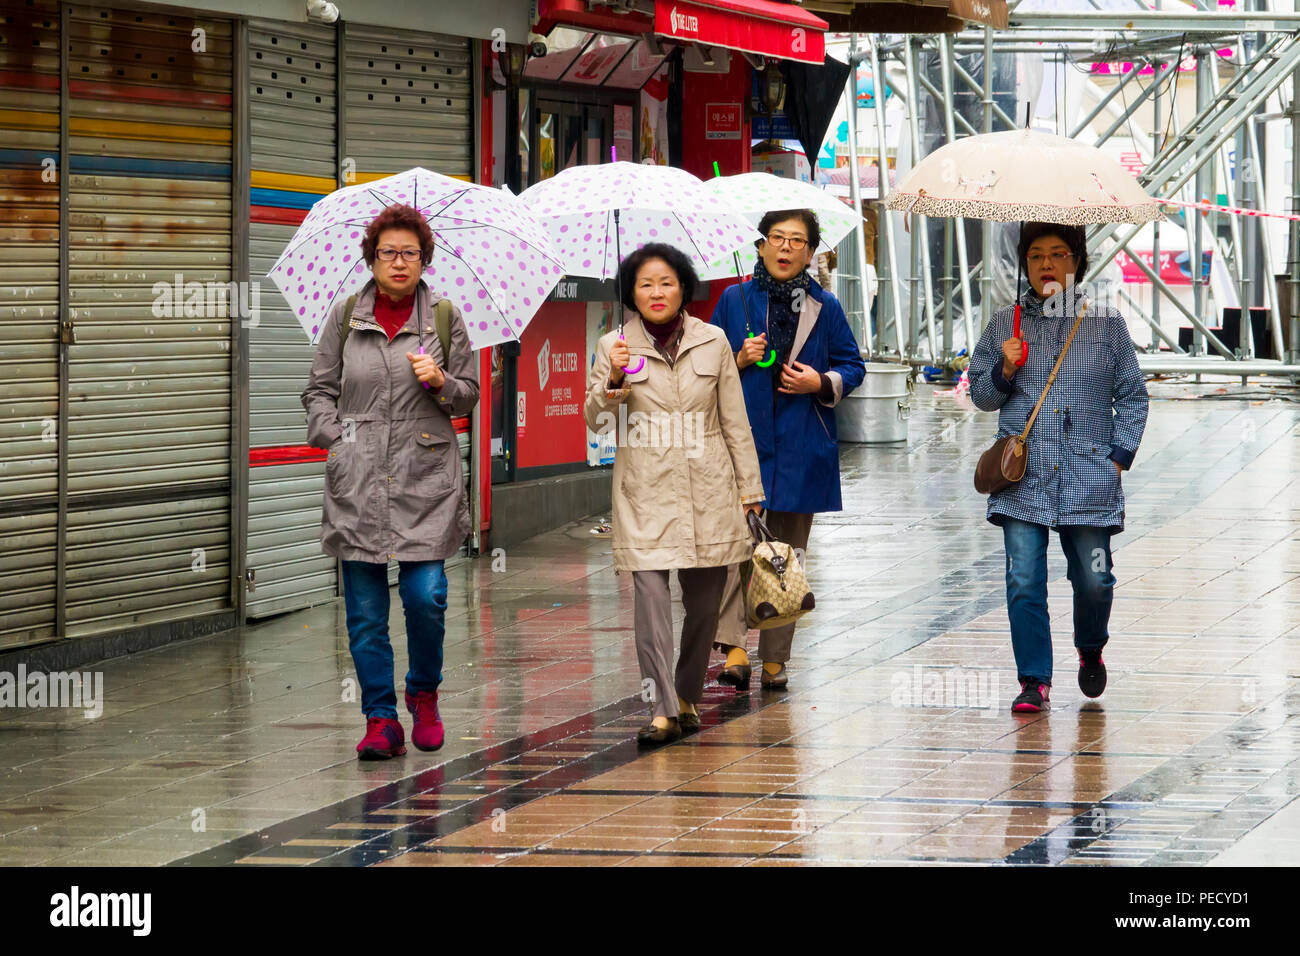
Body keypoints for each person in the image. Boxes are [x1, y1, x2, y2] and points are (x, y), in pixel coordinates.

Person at [301, 204, 479, 758]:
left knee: (427, 597)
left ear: (425, 260)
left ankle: (423, 692)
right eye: (388, 252)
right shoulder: (344, 317)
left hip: (425, 481)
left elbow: (470, 392)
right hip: (357, 483)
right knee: (365, 613)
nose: (399, 262)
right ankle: (381, 719)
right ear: (371, 258)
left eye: (410, 253)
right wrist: (337, 439)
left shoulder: (445, 318)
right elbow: (318, 392)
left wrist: (443, 381)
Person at [584, 243, 765, 746]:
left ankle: (687, 695)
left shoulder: (714, 341)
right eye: (645, 284)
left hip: (709, 485)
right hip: (644, 486)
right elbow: (599, 424)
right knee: (650, 600)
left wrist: (750, 490)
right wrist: (614, 378)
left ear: (684, 287)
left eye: (666, 283)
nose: (656, 293)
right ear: (632, 294)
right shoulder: (612, 346)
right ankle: (662, 707)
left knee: (706, 605)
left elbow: (734, 421)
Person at [967, 221, 1149, 714]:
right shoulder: (1005, 324)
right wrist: (1003, 370)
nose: (1046, 265)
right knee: (1023, 578)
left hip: (1089, 478)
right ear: (1025, 264)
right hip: (1021, 478)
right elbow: (981, 395)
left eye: (1057, 254)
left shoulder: (1107, 324)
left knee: (1094, 579)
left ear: (1077, 260)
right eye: (1036, 256)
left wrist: (1118, 457)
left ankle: (1091, 645)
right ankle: (1034, 680)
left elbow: (1132, 396)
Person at [708, 209, 866, 690]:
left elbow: (853, 366)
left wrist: (822, 381)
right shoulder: (734, 300)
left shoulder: (826, 307)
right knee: (733, 548)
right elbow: (703, 369)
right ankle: (734, 648)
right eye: (776, 237)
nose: (784, 247)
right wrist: (739, 357)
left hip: (801, 449)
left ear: (810, 252)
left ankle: (776, 659)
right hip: (741, 446)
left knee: (785, 555)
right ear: (760, 246)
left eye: (797, 240)